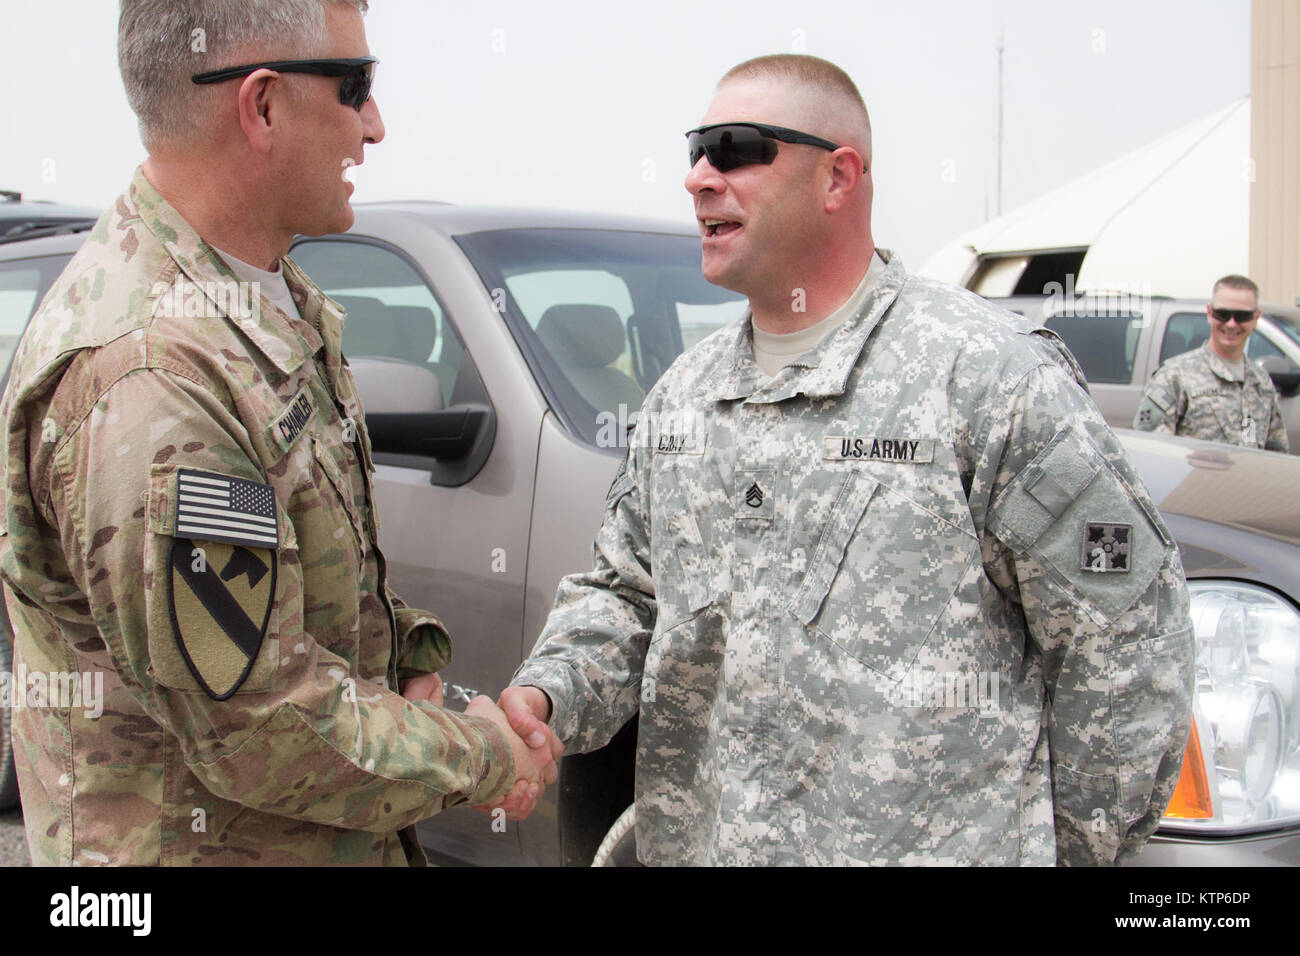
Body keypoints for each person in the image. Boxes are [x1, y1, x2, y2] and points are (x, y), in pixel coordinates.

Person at [497, 54, 1194, 865]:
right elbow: (626, 597)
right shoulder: (684, 399)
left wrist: (1061, 849)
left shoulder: (984, 380)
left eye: (735, 147)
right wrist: (545, 697)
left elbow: (1126, 629)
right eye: (695, 148)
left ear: (839, 177)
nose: (698, 177)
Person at [0, 0, 555, 866]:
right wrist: (483, 752)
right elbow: (256, 724)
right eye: (354, 85)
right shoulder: (152, 375)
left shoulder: (262, 297)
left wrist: (407, 659)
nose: (374, 125)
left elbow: (294, 580)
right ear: (261, 105)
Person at [1133, 274, 1289, 451]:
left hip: (1249, 479)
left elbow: (1276, 453)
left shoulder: (1261, 381)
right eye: (1222, 314)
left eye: (1242, 316)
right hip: (1198, 479)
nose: (1231, 324)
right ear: (1209, 313)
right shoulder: (1175, 375)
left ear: (1256, 317)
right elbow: (1151, 446)